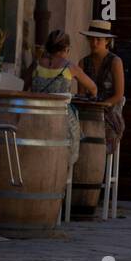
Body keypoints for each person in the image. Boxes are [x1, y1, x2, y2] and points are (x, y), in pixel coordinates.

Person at [25, 29, 98, 164]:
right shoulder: (70, 67)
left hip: (34, 115)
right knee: (75, 129)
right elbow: (93, 88)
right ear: (66, 49)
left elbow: (24, 86)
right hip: (60, 118)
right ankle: (67, 167)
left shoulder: (36, 64)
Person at [80, 19, 126, 153]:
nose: (94, 43)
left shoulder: (115, 62)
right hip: (88, 111)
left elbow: (118, 95)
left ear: (107, 41)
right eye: (91, 39)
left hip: (110, 112)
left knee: (103, 133)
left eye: (98, 40)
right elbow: (82, 94)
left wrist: (101, 108)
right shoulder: (83, 63)